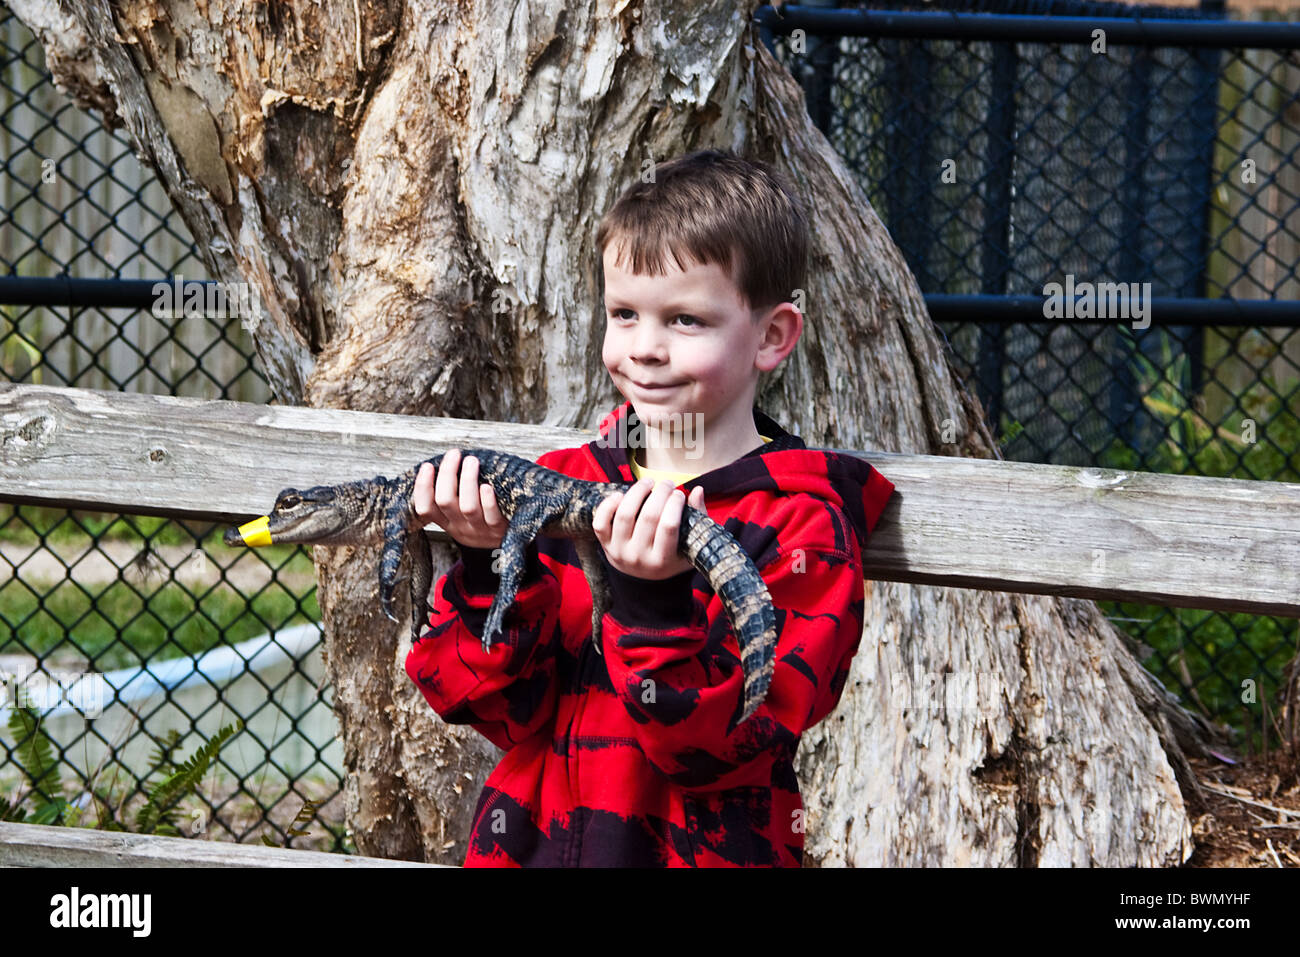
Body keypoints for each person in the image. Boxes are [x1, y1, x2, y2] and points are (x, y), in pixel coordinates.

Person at [404, 149, 895, 866]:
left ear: (771, 335)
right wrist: (483, 562)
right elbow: (500, 710)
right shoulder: (560, 482)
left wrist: (652, 602)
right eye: (624, 313)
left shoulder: (803, 524)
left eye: (685, 320)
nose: (645, 349)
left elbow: (727, 748)